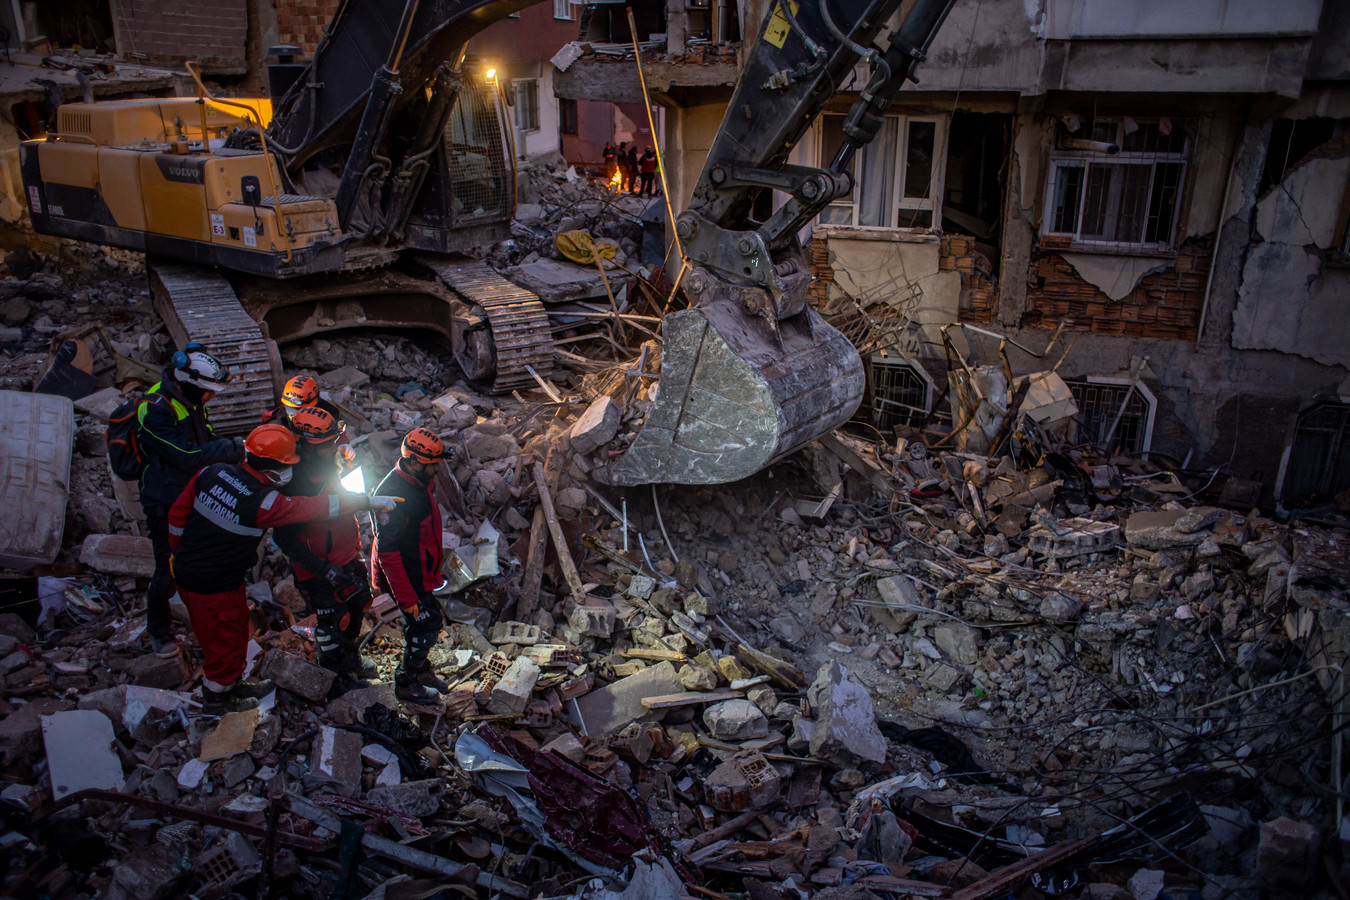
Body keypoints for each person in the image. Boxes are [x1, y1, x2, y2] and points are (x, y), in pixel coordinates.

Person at [168, 423, 399, 715]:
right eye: (289, 462)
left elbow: (177, 516)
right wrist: (367, 501)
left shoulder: (212, 473)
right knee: (224, 639)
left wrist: (178, 553)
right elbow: (315, 508)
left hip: (194, 570)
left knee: (236, 627)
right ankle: (217, 700)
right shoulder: (263, 502)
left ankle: (229, 683)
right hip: (212, 583)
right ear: (277, 466)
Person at [137, 344, 244, 657]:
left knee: (202, 557)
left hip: (194, 491)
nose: (211, 397)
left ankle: (205, 616)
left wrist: (236, 457)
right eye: (207, 392)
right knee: (167, 568)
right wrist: (239, 449)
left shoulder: (192, 400)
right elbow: (186, 454)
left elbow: (206, 438)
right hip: (164, 499)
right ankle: (159, 630)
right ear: (188, 383)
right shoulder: (155, 409)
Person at [273, 406, 376, 690]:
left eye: (334, 441)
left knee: (357, 605)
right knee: (331, 623)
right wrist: (324, 570)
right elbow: (284, 539)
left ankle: (349, 659)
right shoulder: (294, 484)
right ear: (305, 446)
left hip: (346, 554)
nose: (334, 447)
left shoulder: (330, 465)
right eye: (327, 445)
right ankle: (333, 679)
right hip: (318, 567)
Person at [370, 428, 454, 705]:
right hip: (404, 576)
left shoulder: (417, 482)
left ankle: (421, 670)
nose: (438, 470)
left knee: (421, 623)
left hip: (418, 570)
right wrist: (406, 599)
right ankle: (406, 683)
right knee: (427, 624)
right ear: (414, 461)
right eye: (433, 464)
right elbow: (387, 553)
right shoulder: (393, 497)